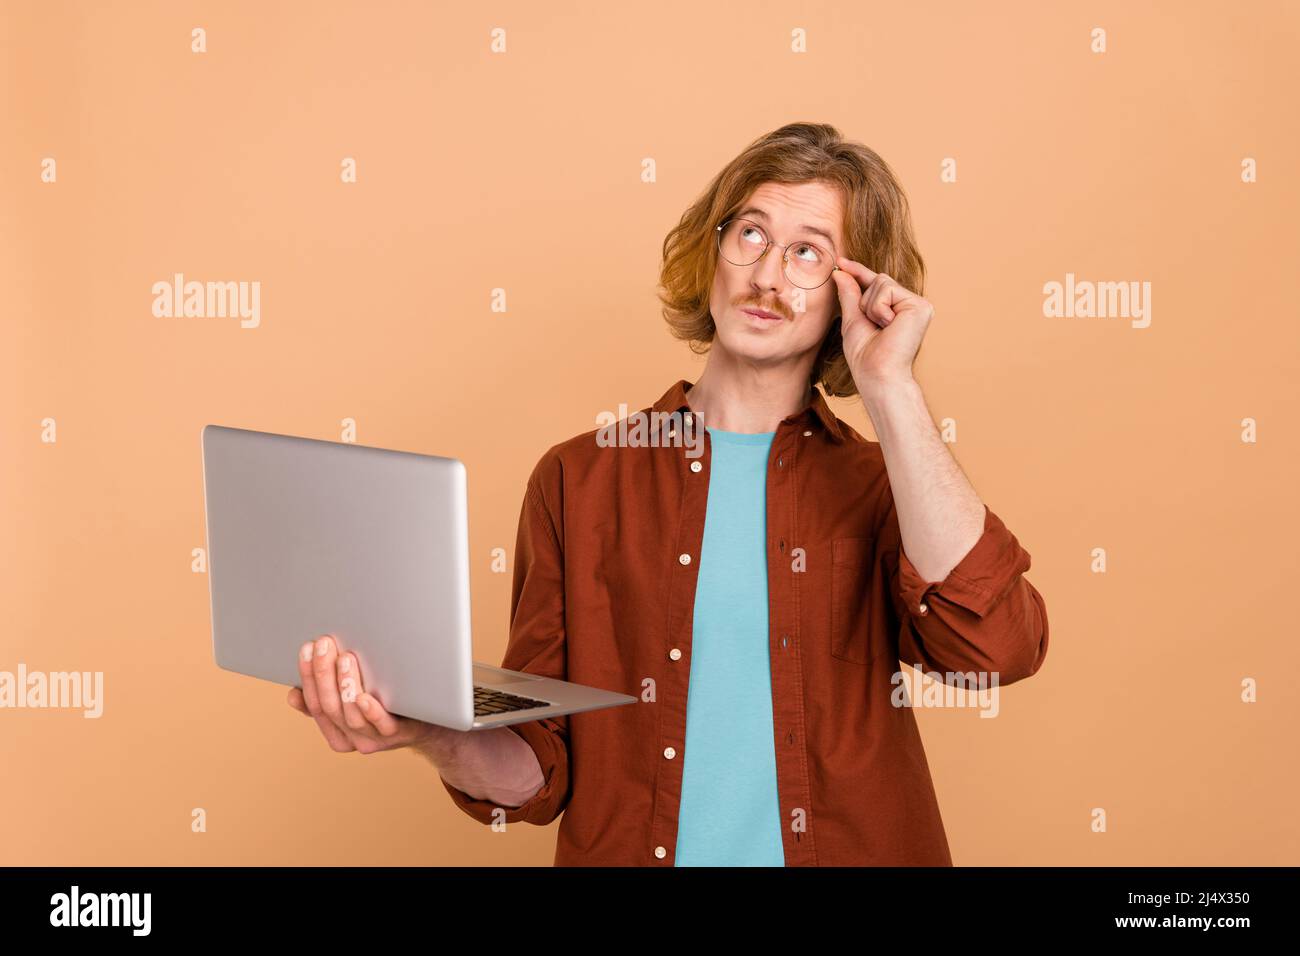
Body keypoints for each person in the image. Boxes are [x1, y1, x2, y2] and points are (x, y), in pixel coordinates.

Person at [287, 121, 1049, 866]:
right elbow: (538, 772)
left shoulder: (887, 488)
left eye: (809, 254)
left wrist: (891, 386)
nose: (768, 276)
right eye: (750, 234)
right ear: (713, 249)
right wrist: (431, 731)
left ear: (854, 294)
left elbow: (996, 650)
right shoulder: (577, 479)